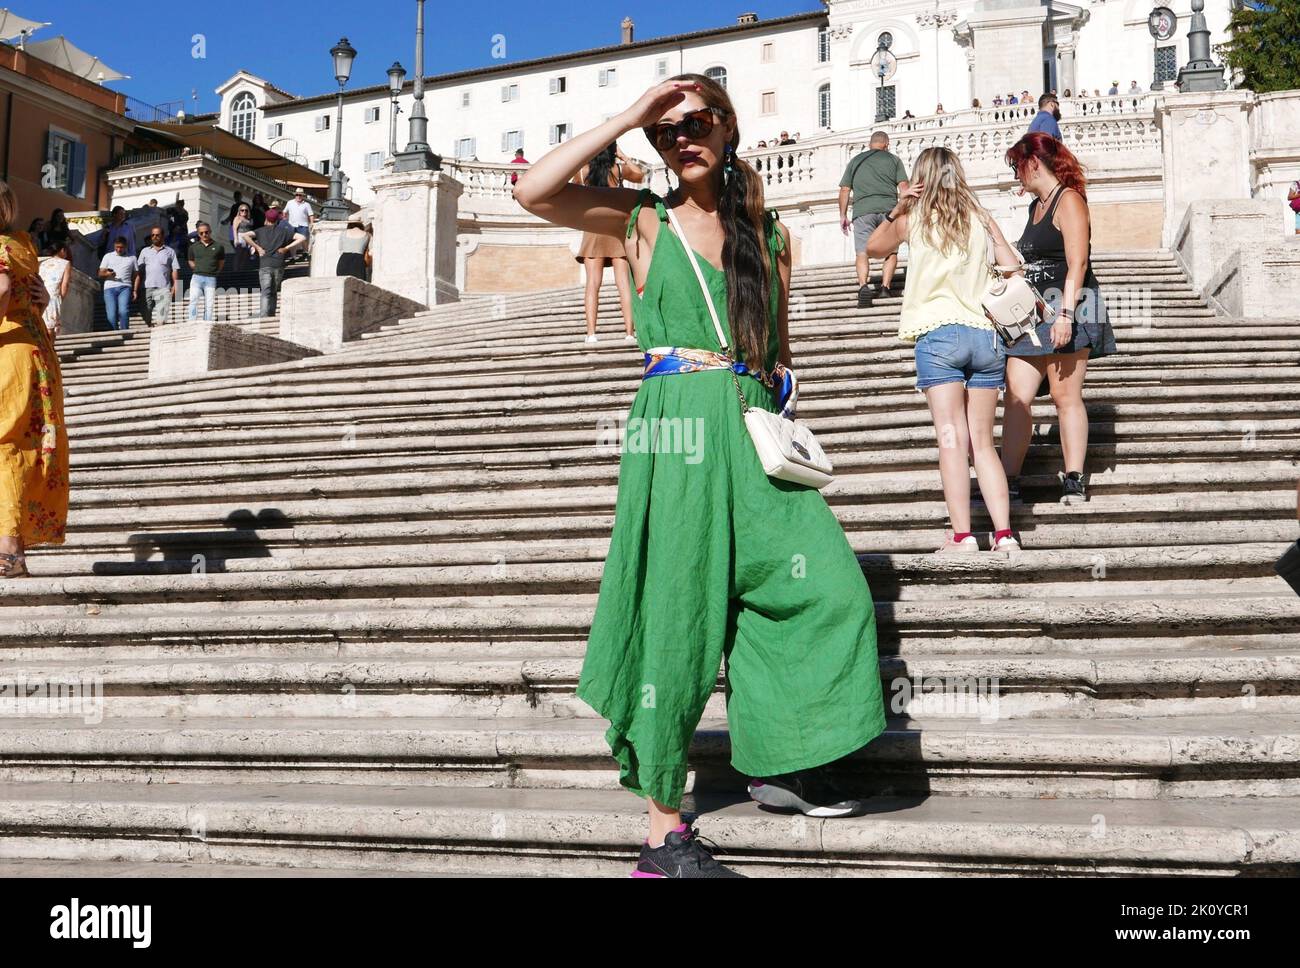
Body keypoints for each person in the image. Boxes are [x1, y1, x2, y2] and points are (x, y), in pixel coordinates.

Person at [513, 74, 887, 878]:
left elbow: (782, 347)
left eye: (698, 122)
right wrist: (628, 115)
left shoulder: (771, 233)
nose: (683, 137)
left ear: (729, 127)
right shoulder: (639, 219)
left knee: (826, 589)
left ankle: (781, 757)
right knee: (677, 616)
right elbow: (533, 191)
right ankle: (660, 837)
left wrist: (779, 390)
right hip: (677, 428)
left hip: (751, 428)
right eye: (667, 128)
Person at [867, 147, 1021, 554]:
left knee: (952, 439)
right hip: (985, 335)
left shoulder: (912, 220)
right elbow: (1012, 267)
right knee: (984, 443)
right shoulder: (980, 217)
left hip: (938, 335)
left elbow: (873, 249)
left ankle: (963, 536)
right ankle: (1004, 535)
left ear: (921, 177)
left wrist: (896, 209)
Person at [1001, 132, 1117, 506]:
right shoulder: (1036, 207)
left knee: (1066, 397)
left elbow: (1077, 262)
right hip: (1032, 316)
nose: (1016, 174)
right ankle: (1007, 481)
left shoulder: (1068, 200)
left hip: (1070, 307)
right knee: (1017, 397)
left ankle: (1073, 480)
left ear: (1033, 162)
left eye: (1017, 165)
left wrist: (1065, 315)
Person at [0, 180, 68, 578]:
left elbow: (2, 288)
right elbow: (39, 296)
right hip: (38, 355)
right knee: (25, 445)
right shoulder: (21, 245)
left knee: (4, 445)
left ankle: (6, 551)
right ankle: (15, 552)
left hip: (8, 352)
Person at [570, 142, 645, 342]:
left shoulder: (583, 171)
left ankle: (591, 334)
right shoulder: (618, 169)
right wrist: (623, 156)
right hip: (616, 230)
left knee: (592, 284)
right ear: (613, 151)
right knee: (624, 284)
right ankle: (630, 333)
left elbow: (567, 188)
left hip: (593, 230)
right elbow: (640, 175)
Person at [839, 130, 909, 306]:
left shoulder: (855, 161)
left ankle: (863, 286)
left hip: (863, 211)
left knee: (862, 251)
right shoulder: (894, 160)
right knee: (891, 251)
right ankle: (885, 288)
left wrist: (843, 215)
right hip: (889, 212)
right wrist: (906, 210)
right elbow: (904, 188)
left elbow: (845, 190)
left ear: (870, 144)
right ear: (887, 144)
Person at [243, 208, 301, 317]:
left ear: (266, 219)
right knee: (273, 292)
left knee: (265, 292)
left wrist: (257, 247)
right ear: (277, 220)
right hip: (279, 264)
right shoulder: (284, 231)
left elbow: (245, 235)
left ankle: (264, 316)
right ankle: (271, 315)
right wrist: (286, 248)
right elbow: (301, 237)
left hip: (265, 264)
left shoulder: (260, 231)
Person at [137, 227, 180, 327]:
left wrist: (176, 285)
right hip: (147, 287)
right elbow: (139, 271)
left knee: (161, 319)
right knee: (146, 315)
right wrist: (136, 288)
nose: (155, 237)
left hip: (164, 288)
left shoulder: (170, 252)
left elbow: (175, 270)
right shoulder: (144, 251)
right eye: (153, 235)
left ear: (163, 236)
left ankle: (159, 333)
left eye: (157, 235)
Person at [186, 221, 224, 321]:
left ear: (210, 232)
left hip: (211, 278)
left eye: (206, 232)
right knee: (193, 301)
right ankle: (192, 321)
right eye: (201, 233)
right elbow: (190, 260)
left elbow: (221, 261)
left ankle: (207, 322)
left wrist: (217, 271)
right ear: (198, 234)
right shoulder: (193, 247)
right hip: (196, 277)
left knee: (209, 303)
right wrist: (196, 268)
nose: (204, 234)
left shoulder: (219, 246)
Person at [97, 236, 136, 330]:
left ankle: (125, 332)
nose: (119, 249)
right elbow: (100, 273)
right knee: (111, 315)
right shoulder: (108, 256)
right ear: (114, 246)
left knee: (123, 311)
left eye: (121, 247)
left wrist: (135, 289)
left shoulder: (132, 258)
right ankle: (114, 334)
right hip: (109, 288)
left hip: (125, 287)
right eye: (117, 247)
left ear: (126, 246)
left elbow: (136, 275)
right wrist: (108, 274)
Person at [38, 241, 71, 338]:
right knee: (51, 327)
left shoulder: (43, 263)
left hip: (40, 294)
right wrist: (61, 298)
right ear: (62, 250)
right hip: (53, 296)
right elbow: (65, 284)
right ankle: (50, 349)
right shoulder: (65, 263)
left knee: (42, 323)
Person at [284, 189, 314, 261]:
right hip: (292, 225)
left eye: (300, 195)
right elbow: (284, 212)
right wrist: (285, 221)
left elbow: (311, 214)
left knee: (304, 240)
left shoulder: (307, 204)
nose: (298, 196)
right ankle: (293, 256)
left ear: (302, 196)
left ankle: (305, 253)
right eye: (297, 194)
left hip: (303, 225)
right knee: (292, 240)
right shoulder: (290, 202)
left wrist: (312, 223)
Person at [230, 201, 254, 272]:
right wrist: (236, 239)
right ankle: (236, 270)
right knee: (239, 254)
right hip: (240, 236)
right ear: (239, 211)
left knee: (245, 254)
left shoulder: (250, 219)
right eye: (242, 210)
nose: (244, 211)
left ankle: (241, 269)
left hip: (248, 237)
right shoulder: (237, 218)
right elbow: (234, 229)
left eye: (246, 210)